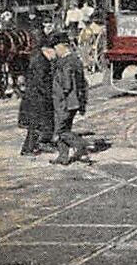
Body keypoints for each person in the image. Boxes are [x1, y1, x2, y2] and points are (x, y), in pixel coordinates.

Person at [50, 32, 91, 165]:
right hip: (74, 101)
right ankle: (63, 157)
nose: (55, 51)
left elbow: (66, 84)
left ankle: (81, 144)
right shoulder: (76, 60)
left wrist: (59, 90)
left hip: (64, 101)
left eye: (56, 48)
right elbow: (83, 82)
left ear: (62, 46)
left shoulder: (65, 63)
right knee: (65, 128)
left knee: (60, 130)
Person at [18, 31, 56, 156]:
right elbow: (41, 82)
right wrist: (51, 95)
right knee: (35, 125)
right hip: (37, 97)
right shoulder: (41, 62)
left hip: (33, 96)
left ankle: (39, 144)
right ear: (47, 49)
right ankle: (28, 149)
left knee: (37, 124)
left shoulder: (39, 57)